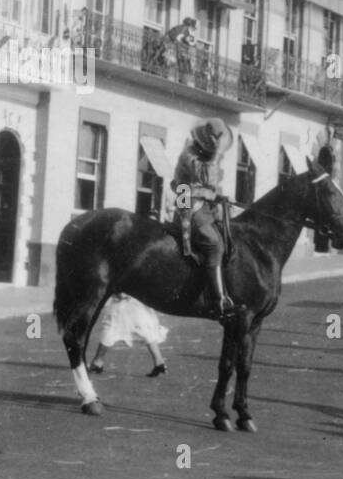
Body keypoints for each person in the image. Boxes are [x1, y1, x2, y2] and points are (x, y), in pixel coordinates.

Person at [172, 118, 236, 317]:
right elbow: (205, 178)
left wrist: (218, 196)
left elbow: (209, 186)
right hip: (188, 206)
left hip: (204, 205)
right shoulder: (189, 155)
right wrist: (216, 154)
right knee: (214, 244)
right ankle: (219, 300)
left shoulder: (203, 156)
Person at [88, 294, 169, 377]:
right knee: (143, 326)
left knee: (111, 325)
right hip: (135, 297)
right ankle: (159, 362)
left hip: (124, 298)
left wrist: (119, 292)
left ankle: (98, 362)